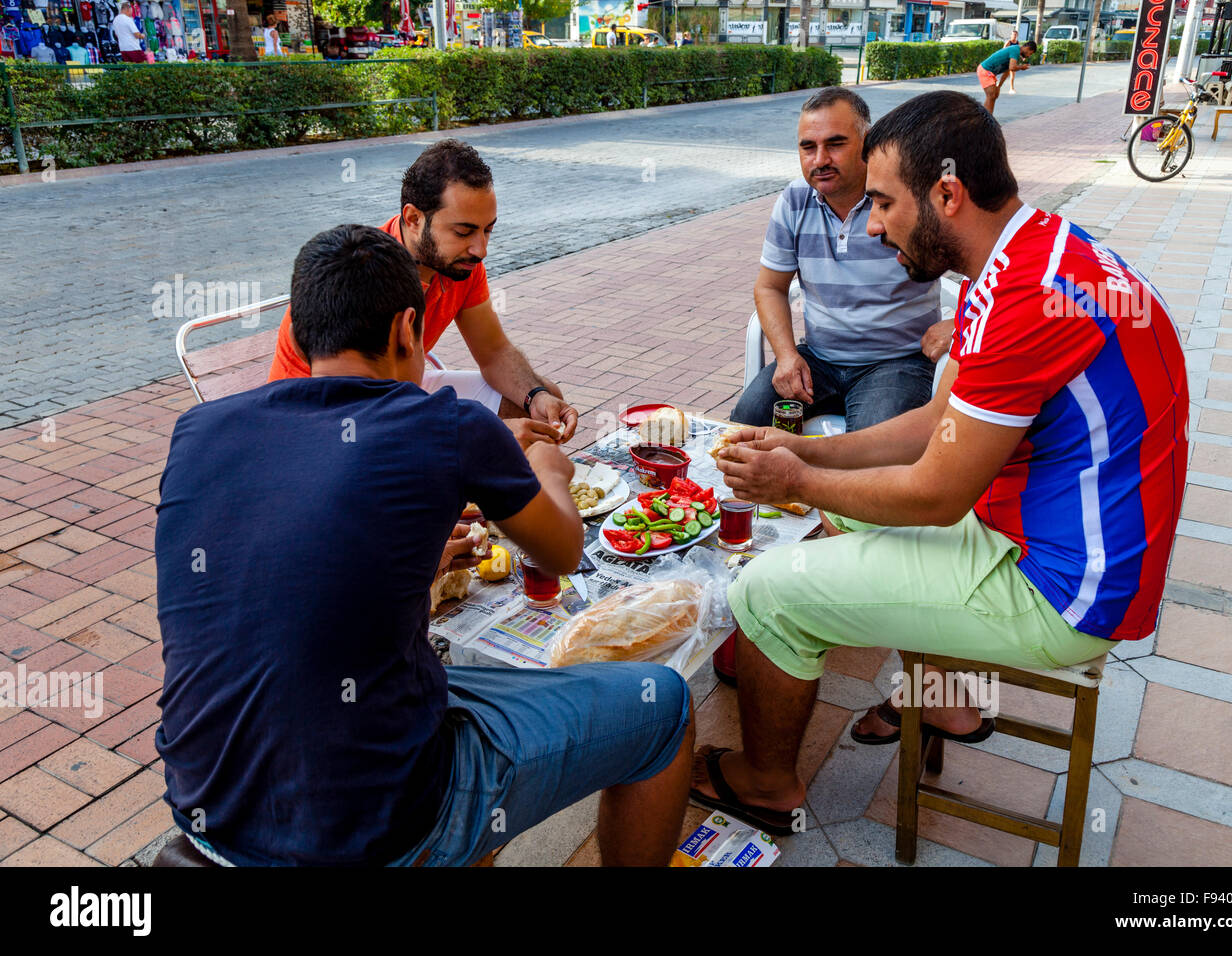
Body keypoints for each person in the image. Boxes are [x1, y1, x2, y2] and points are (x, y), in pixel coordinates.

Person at [691, 90, 1188, 835]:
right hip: (1056, 540)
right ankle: (943, 693)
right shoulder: (1039, 249)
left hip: (1064, 588)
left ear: (947, 194)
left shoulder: (1024, 298)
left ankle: (766, 784)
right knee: (835, 511)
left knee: (767, 592)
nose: (877, 221)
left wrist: (794, 477)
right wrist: (807, 449)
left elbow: (935, 494)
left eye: (886, 203)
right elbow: (936, 426)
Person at [155, 224, 695, 867]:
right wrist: (549, 469)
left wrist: (417, 560)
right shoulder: (449, 423)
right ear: (408, 331)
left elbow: (284, 565)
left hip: (207, 807)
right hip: (374, 822)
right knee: (663, 704)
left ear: (299, 335)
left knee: (431, 682)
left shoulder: (199, 432)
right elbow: (561, 553)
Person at [268, 139, 579, 450]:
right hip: (325, 420)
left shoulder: (460, 263)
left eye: (488, 230)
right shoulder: (361, 273)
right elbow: (359, 416)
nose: (480, 249)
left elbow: (494, 352)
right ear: (414, 219)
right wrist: (479, 433)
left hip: (399, 389)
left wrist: (535, 395)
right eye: (463, 232)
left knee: (537, 412)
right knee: (489, 438)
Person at [732, 87, 948, 435]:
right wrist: (787, 356)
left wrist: (962, 325)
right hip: (818, 361)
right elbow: (770, 287)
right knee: (745, 426)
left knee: (871, 453)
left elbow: (988, 262)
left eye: (835, 144)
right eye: (808, 147)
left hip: (896, 363)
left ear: (866, 142)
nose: (819, 159)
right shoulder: (795, 201)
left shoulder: (907, 195)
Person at [978, 39, 1036, 115]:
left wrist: (999, 86)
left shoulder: (1016, 54)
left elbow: (1007, 71)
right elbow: (1012, 67)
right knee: (991, 95)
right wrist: (1021, 67)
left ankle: (987, 118)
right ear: (1027, 48)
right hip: (985, 69)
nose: (1028, 56)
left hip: (990, 73)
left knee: (994, 95)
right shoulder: (1015, 50)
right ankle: (985, 119)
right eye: (1030, 53)